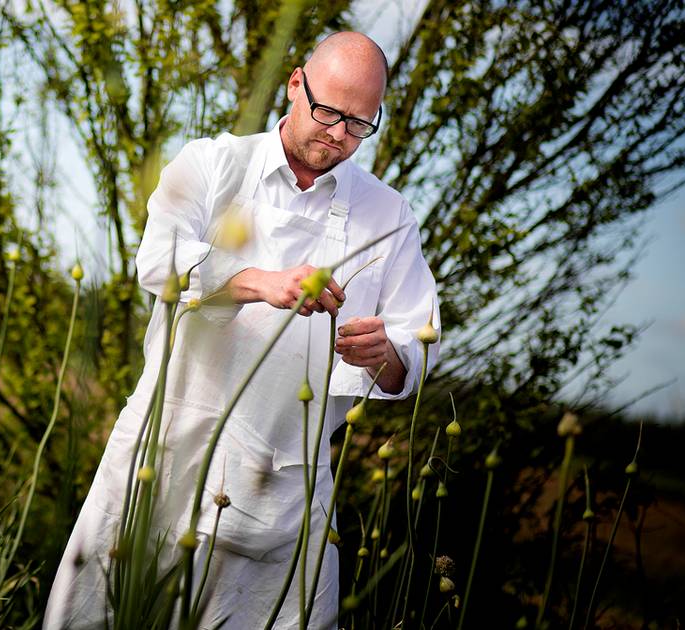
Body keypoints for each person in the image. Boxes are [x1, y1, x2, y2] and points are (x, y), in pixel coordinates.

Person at [44, 32, 440, 629]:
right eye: (328, 111)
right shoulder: (212, 164)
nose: (337, 134)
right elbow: (157, 260)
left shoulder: (389, 215)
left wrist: (385, 354)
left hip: (285, 490)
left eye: (359, 124)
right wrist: (261, 281)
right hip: (164, 457)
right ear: (294, 85)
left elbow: (417, 349)